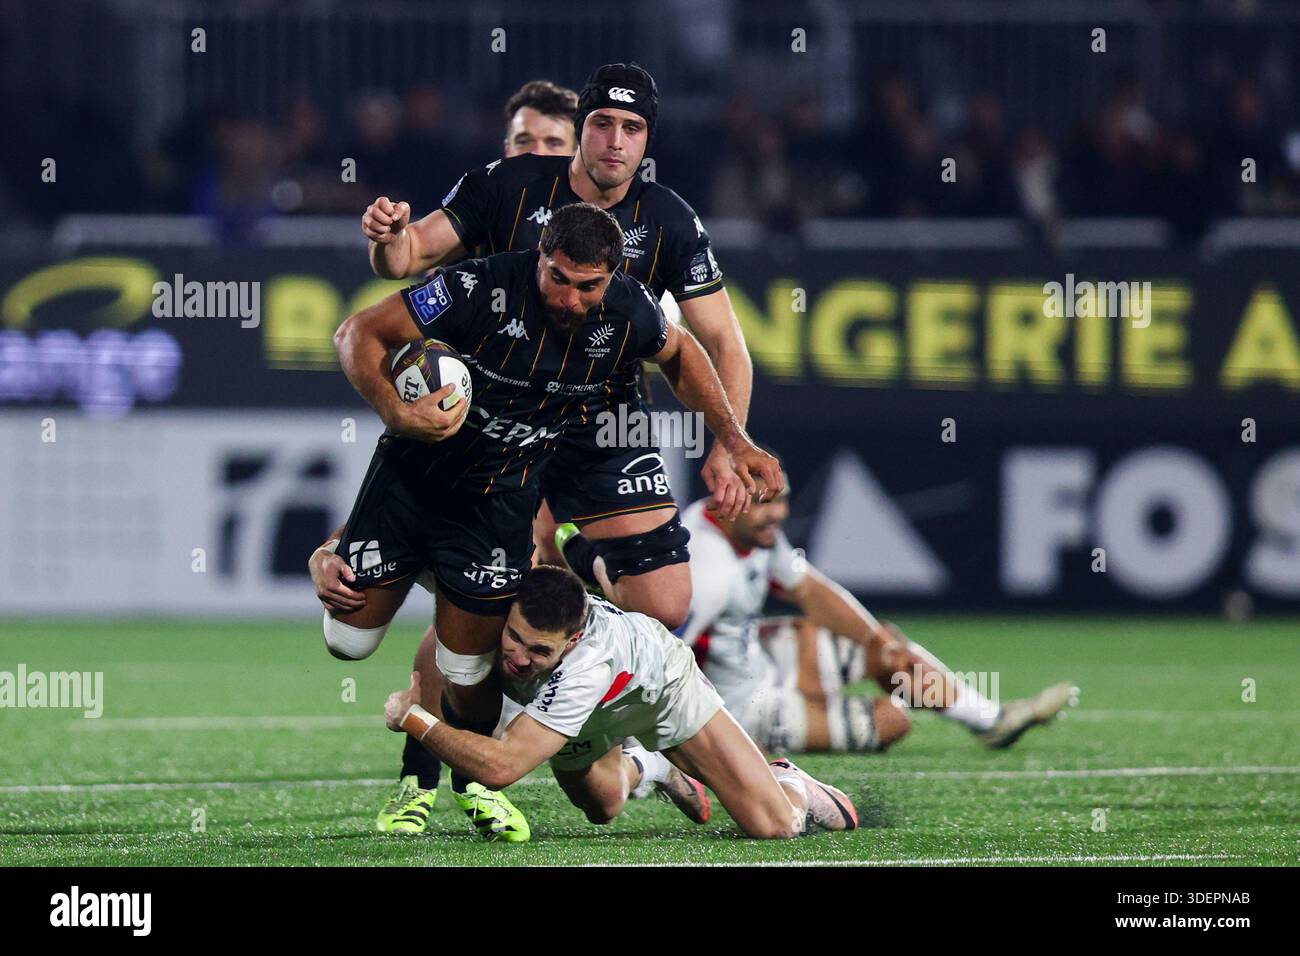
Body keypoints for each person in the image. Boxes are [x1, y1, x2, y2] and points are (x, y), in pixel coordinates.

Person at [322, 202, 780, 844]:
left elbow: (682, 352)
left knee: (470, 669)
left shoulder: (633, 310)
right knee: (347, 641)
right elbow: (357, 332)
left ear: (613, 276)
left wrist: (731, 435)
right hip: (411, 480)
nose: (567, 296)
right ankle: (442, 587)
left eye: (586, 284)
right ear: (540, 255)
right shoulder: (479, 286)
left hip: (497, 500)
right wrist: (394, 411)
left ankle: (469, 782)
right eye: (556, 276)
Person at [383, 566, 858, 839]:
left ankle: (785, 780)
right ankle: (651, 766)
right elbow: (441, 630)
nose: (520, 659)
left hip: (662, 689)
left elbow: (502, 768)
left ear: (572, 641)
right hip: (583, 712)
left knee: (775, 826)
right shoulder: (506, 612)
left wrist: (416, 720)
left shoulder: (584, 667)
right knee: (603, 807)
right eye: (515, 639)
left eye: (539, 650)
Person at [679, 463, 1076, 755]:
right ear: (728, 496)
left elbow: (810, 590)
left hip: (755, 658)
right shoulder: (705, 571)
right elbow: (665, 660)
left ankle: (991, 721)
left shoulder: (748, 528)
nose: (777, 515)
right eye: (764, 504)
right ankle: (744, 743)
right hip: (734, 705)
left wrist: (876, 640)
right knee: (893, 721)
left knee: (893, 654)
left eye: (781, 501)